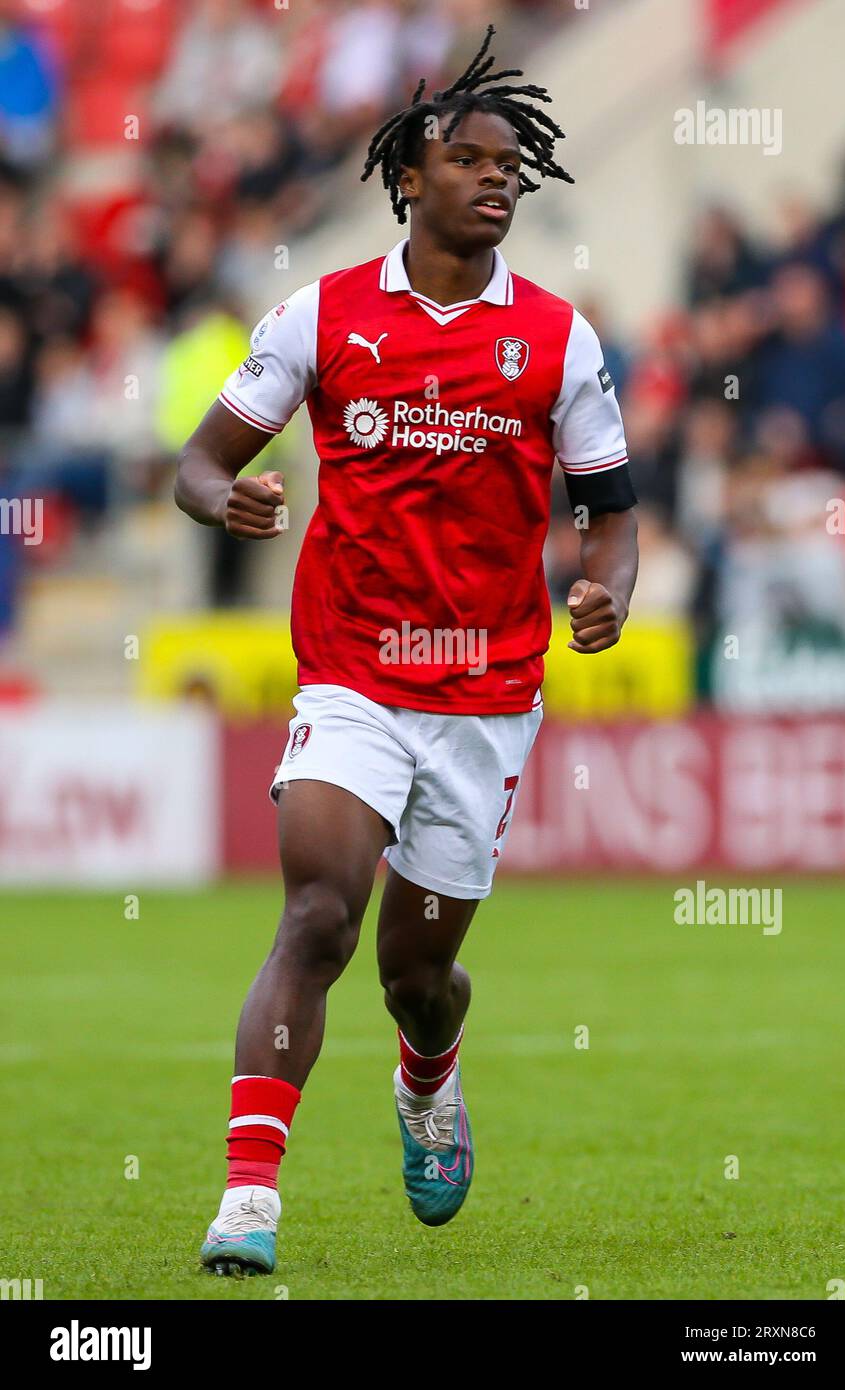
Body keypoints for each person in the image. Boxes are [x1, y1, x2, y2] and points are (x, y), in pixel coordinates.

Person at [175, 26, 638, 1276]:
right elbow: (199, 462)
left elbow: (611, 511)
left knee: (415, 974)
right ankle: (248, 1199)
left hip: (486, 692)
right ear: (409, 180)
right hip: (352, 671)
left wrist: (603, 589)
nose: (497, 180)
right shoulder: (319, 316)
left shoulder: (556, 341)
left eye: (509, 167)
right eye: (473, 160)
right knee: (317, 913)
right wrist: (229, 500)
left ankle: (426, 1074)